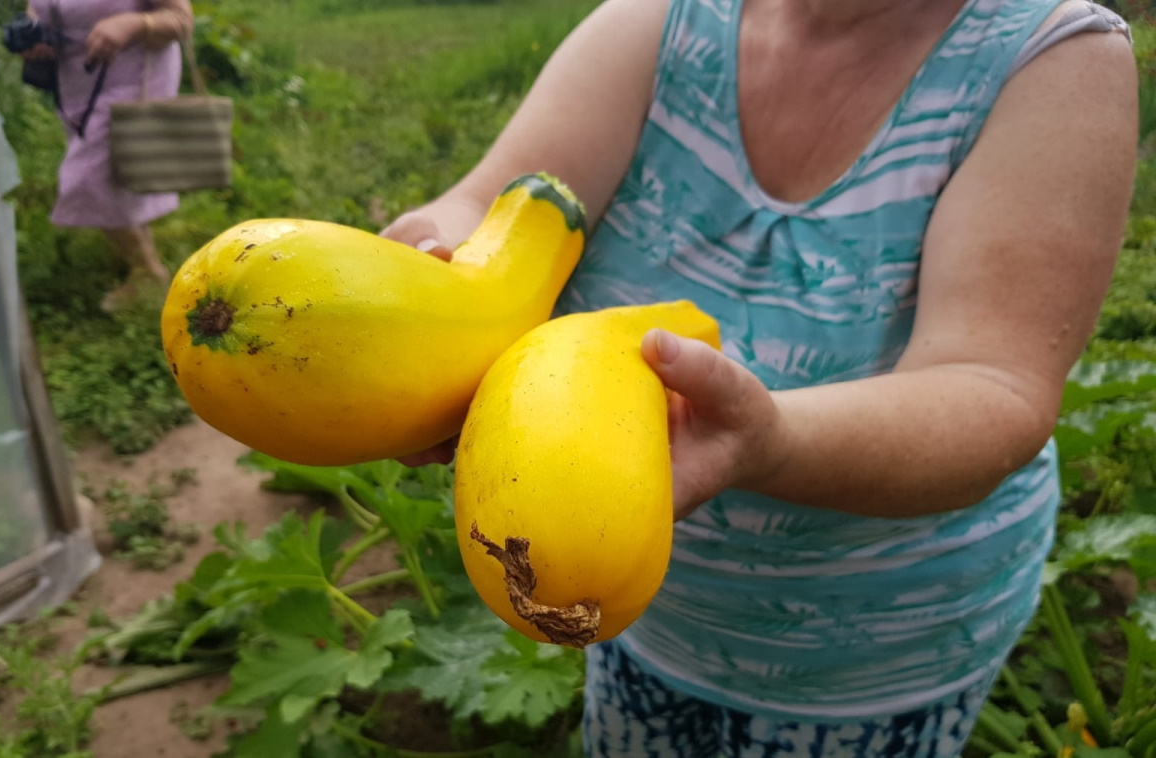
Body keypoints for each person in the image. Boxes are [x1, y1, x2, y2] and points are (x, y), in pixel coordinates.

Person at [381, 0, 1138, 755]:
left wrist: (770, 442)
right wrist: (443, 266)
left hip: (870, 664)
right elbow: (500, 207)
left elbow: (991, 389)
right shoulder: (658, 22)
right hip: (631, 614)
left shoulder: (1051, 60)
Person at [17, 0, 194, 312]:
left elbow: (181, 20)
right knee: (119, 175)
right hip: (79, 86)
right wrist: (34, 34)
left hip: (137, 81)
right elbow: (38, 8)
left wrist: (135, 24)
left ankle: (148, 272)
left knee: (88, 180)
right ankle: (141, 262)